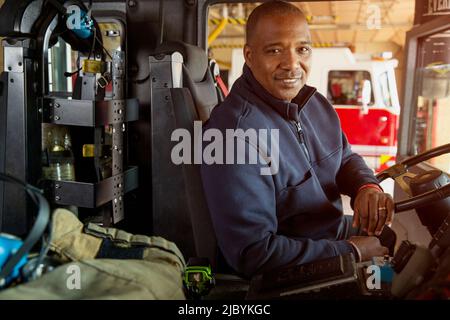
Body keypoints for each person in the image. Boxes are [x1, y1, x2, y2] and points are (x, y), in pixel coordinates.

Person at [200, 0, 394, 278]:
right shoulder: (233, 136)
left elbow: (345, 157)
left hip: (329, 234)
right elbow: (253, 253)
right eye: (274, 50)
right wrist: (351, 252)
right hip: (292, 270)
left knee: (389, 241)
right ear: (249, 55)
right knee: (387, 271)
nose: (292, 64)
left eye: (302, 49)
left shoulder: (314, 103)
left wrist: (366, 186)